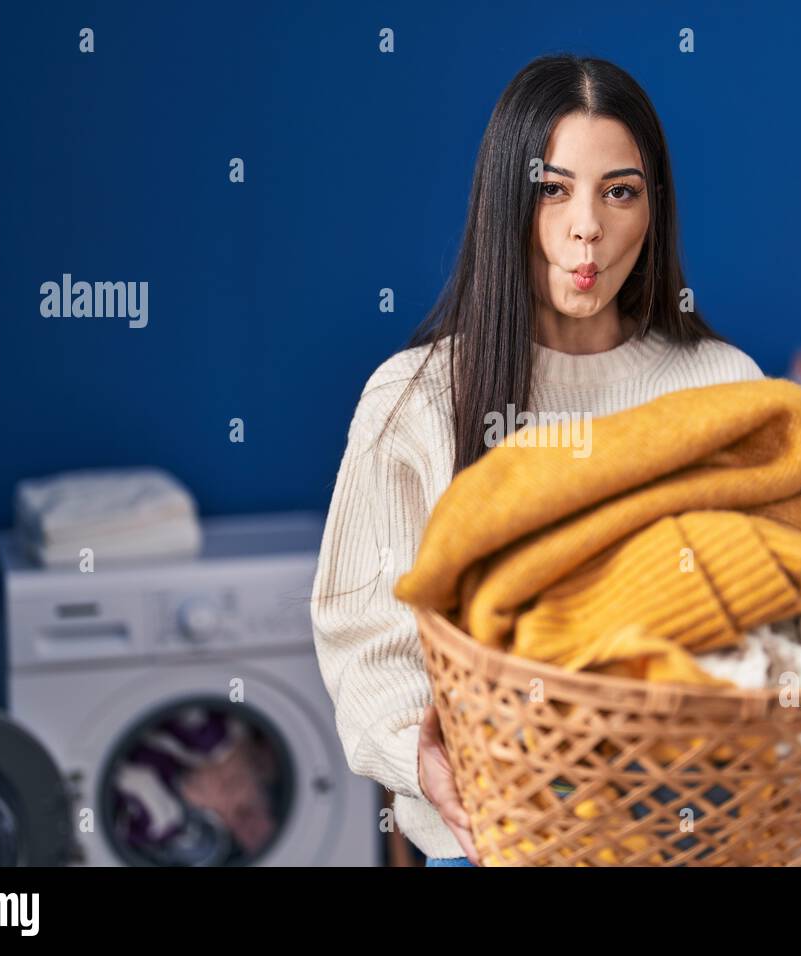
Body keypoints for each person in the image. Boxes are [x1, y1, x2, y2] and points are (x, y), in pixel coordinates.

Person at [310, 53, 766, 867]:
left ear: (653, 209)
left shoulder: (725, 387)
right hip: (483, 842)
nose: (585, 225)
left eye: (618, 191)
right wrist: (424, 761)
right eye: (552, 188)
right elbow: (364, 635)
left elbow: (767, 617)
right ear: (504, 202)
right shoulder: (412, 399)